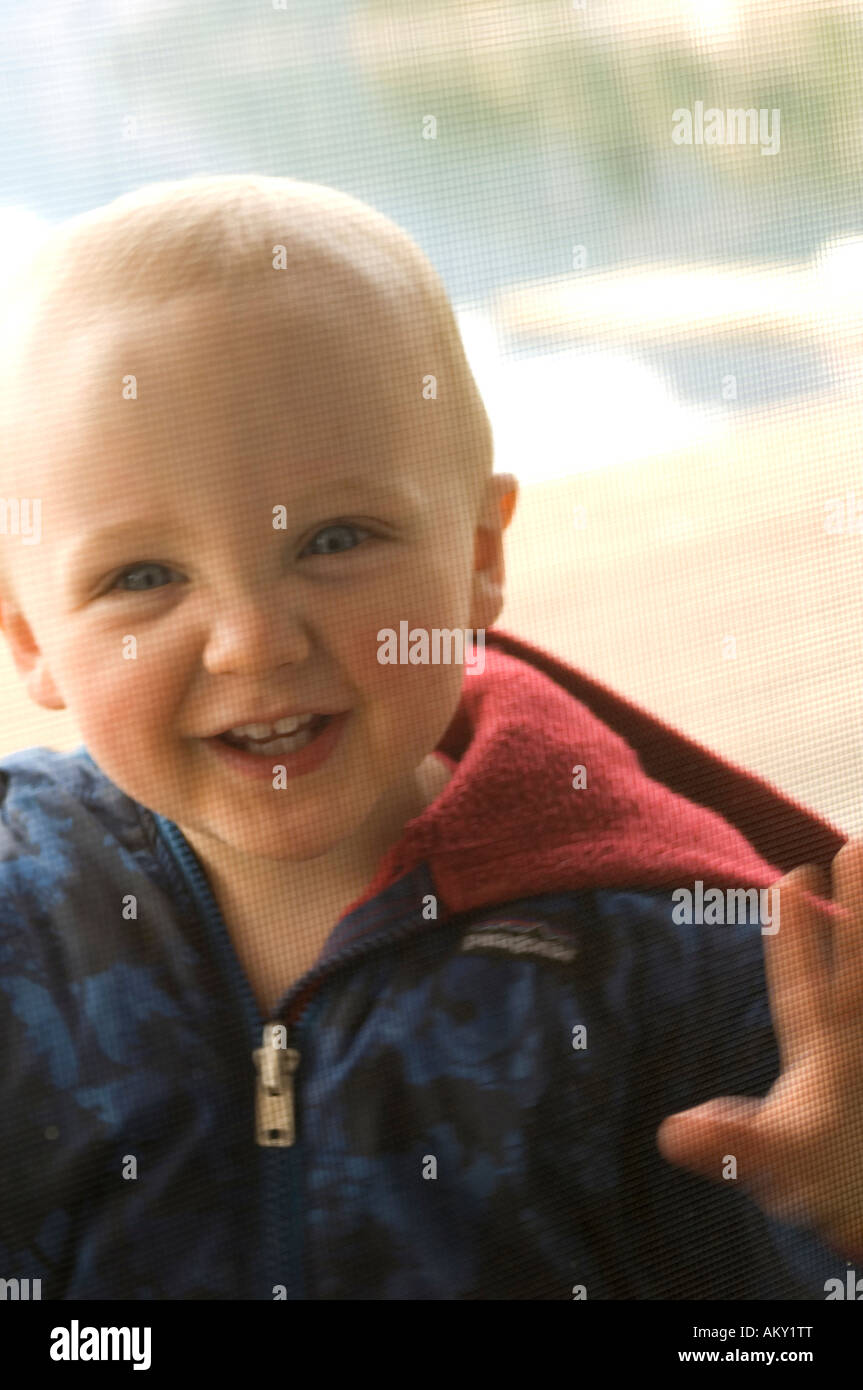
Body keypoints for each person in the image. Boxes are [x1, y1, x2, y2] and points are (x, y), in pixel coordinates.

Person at [0, 174, 858, 1300]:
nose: (252, 644)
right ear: (31, 637)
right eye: (144, 576)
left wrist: (842, 1217)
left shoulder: (673, 965)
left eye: (335, 538)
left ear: (478, 557)